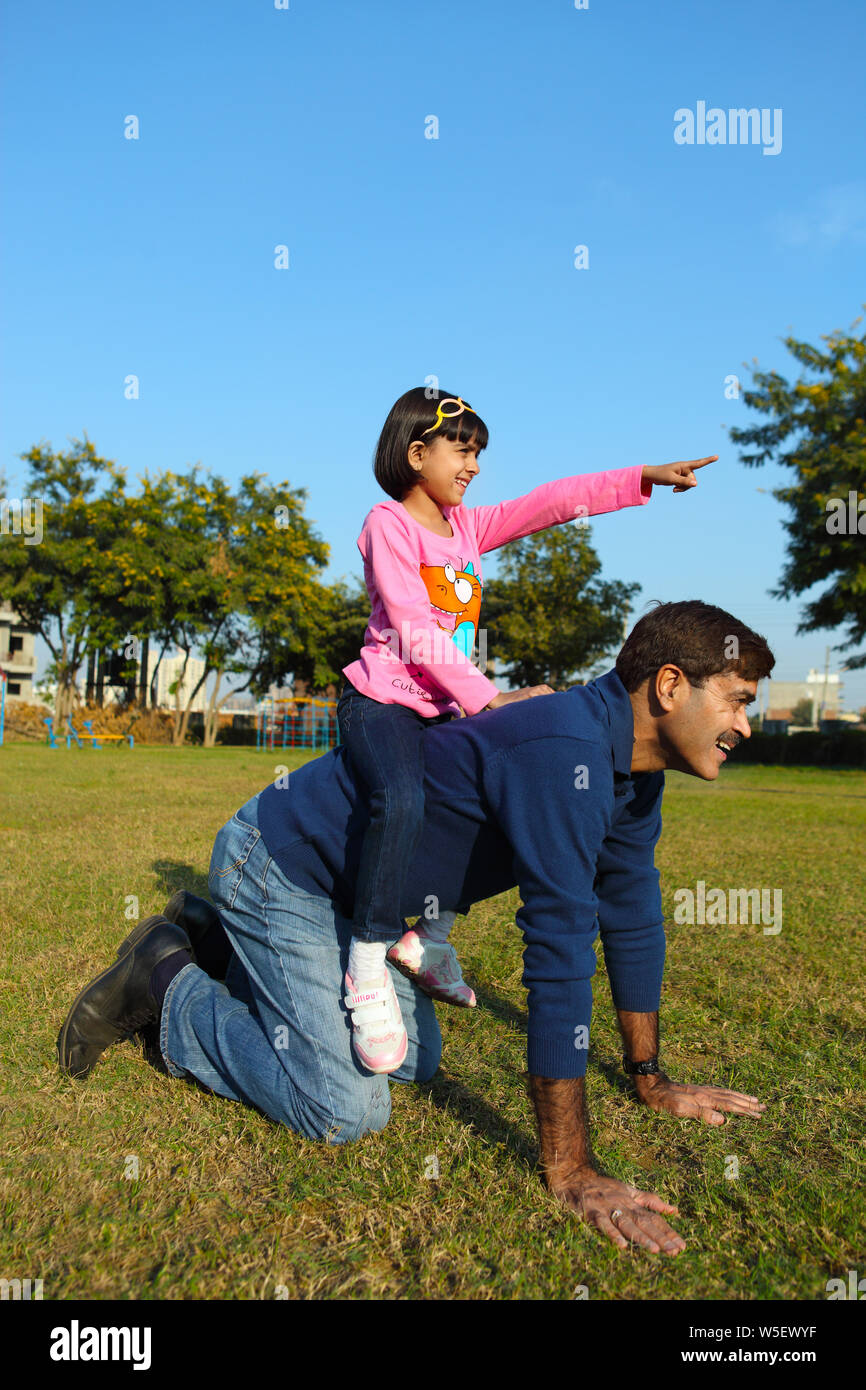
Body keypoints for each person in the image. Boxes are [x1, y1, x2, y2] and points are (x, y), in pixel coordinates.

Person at [57, 600, 774, 1255]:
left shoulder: (633, 775)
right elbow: (559, 952)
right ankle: (167, 979)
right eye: (738, 701)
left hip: (345, 902)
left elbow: (631, 914)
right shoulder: (565, 749)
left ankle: (218, 940)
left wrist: (649, 1075)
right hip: (279, 864)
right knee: (343, 1107)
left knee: (414, 1060)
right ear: (671, 685)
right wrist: (572, 1168)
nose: (746, 724)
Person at [337, 385, 716, 1074]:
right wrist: (489, 702)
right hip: (385, 703)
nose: (475, 466)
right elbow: (415, 630)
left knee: (510, 805)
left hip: (448, 707)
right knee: (403, 803)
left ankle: (430, 938)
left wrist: (637, 479)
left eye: (480, 453)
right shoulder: (386, 524)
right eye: (463, 450)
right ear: (416, 453)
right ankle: (365, 961)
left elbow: (548, 504)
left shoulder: (468, 530)